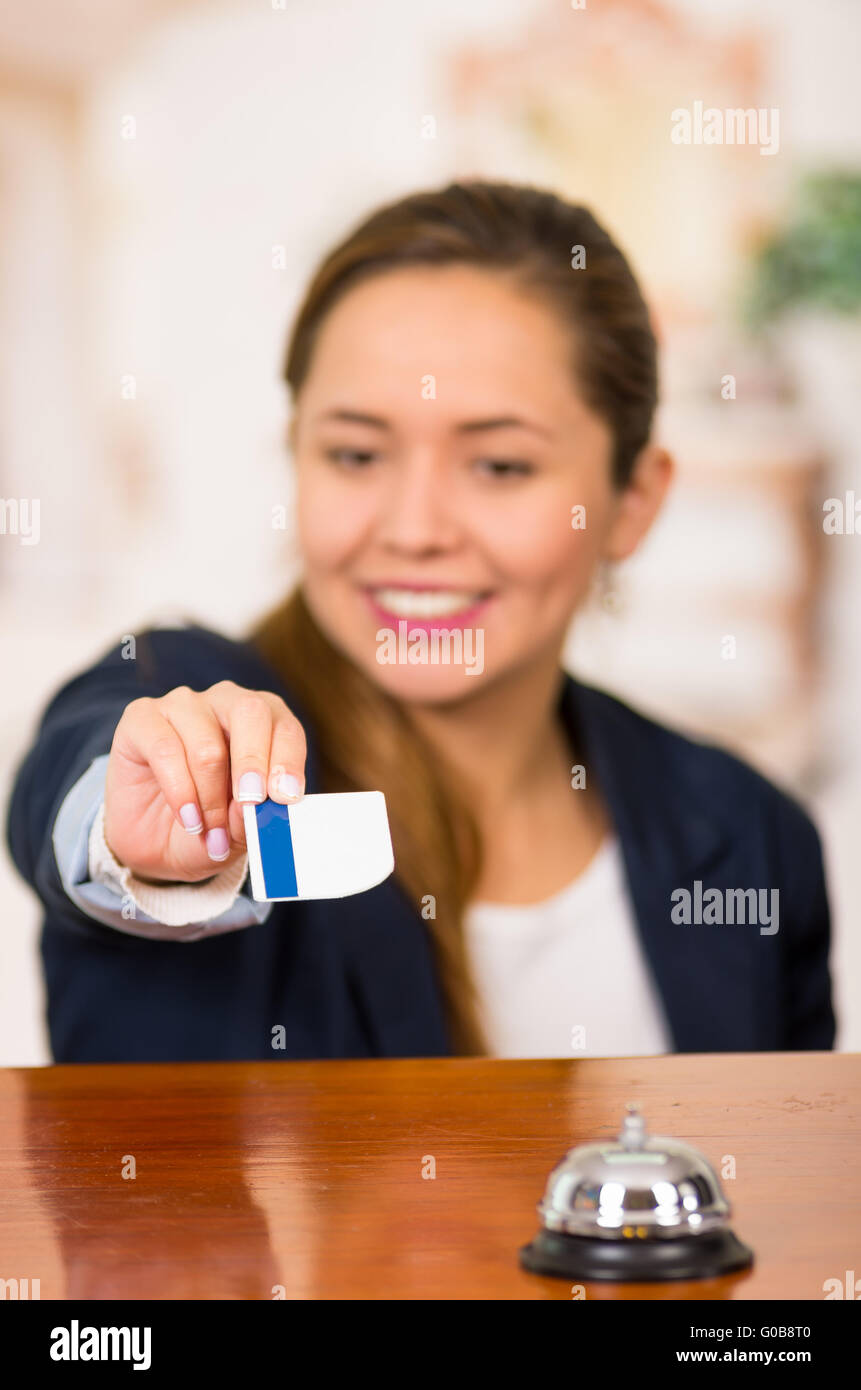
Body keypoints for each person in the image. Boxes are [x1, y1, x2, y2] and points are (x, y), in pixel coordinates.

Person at [6, 180, 835, 1063]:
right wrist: (140, 830)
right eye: (355, 454)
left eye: (501, 466)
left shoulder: (750, 834)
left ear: (632, 501)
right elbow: (84, 779)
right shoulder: (188, 705)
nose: (413, 529)